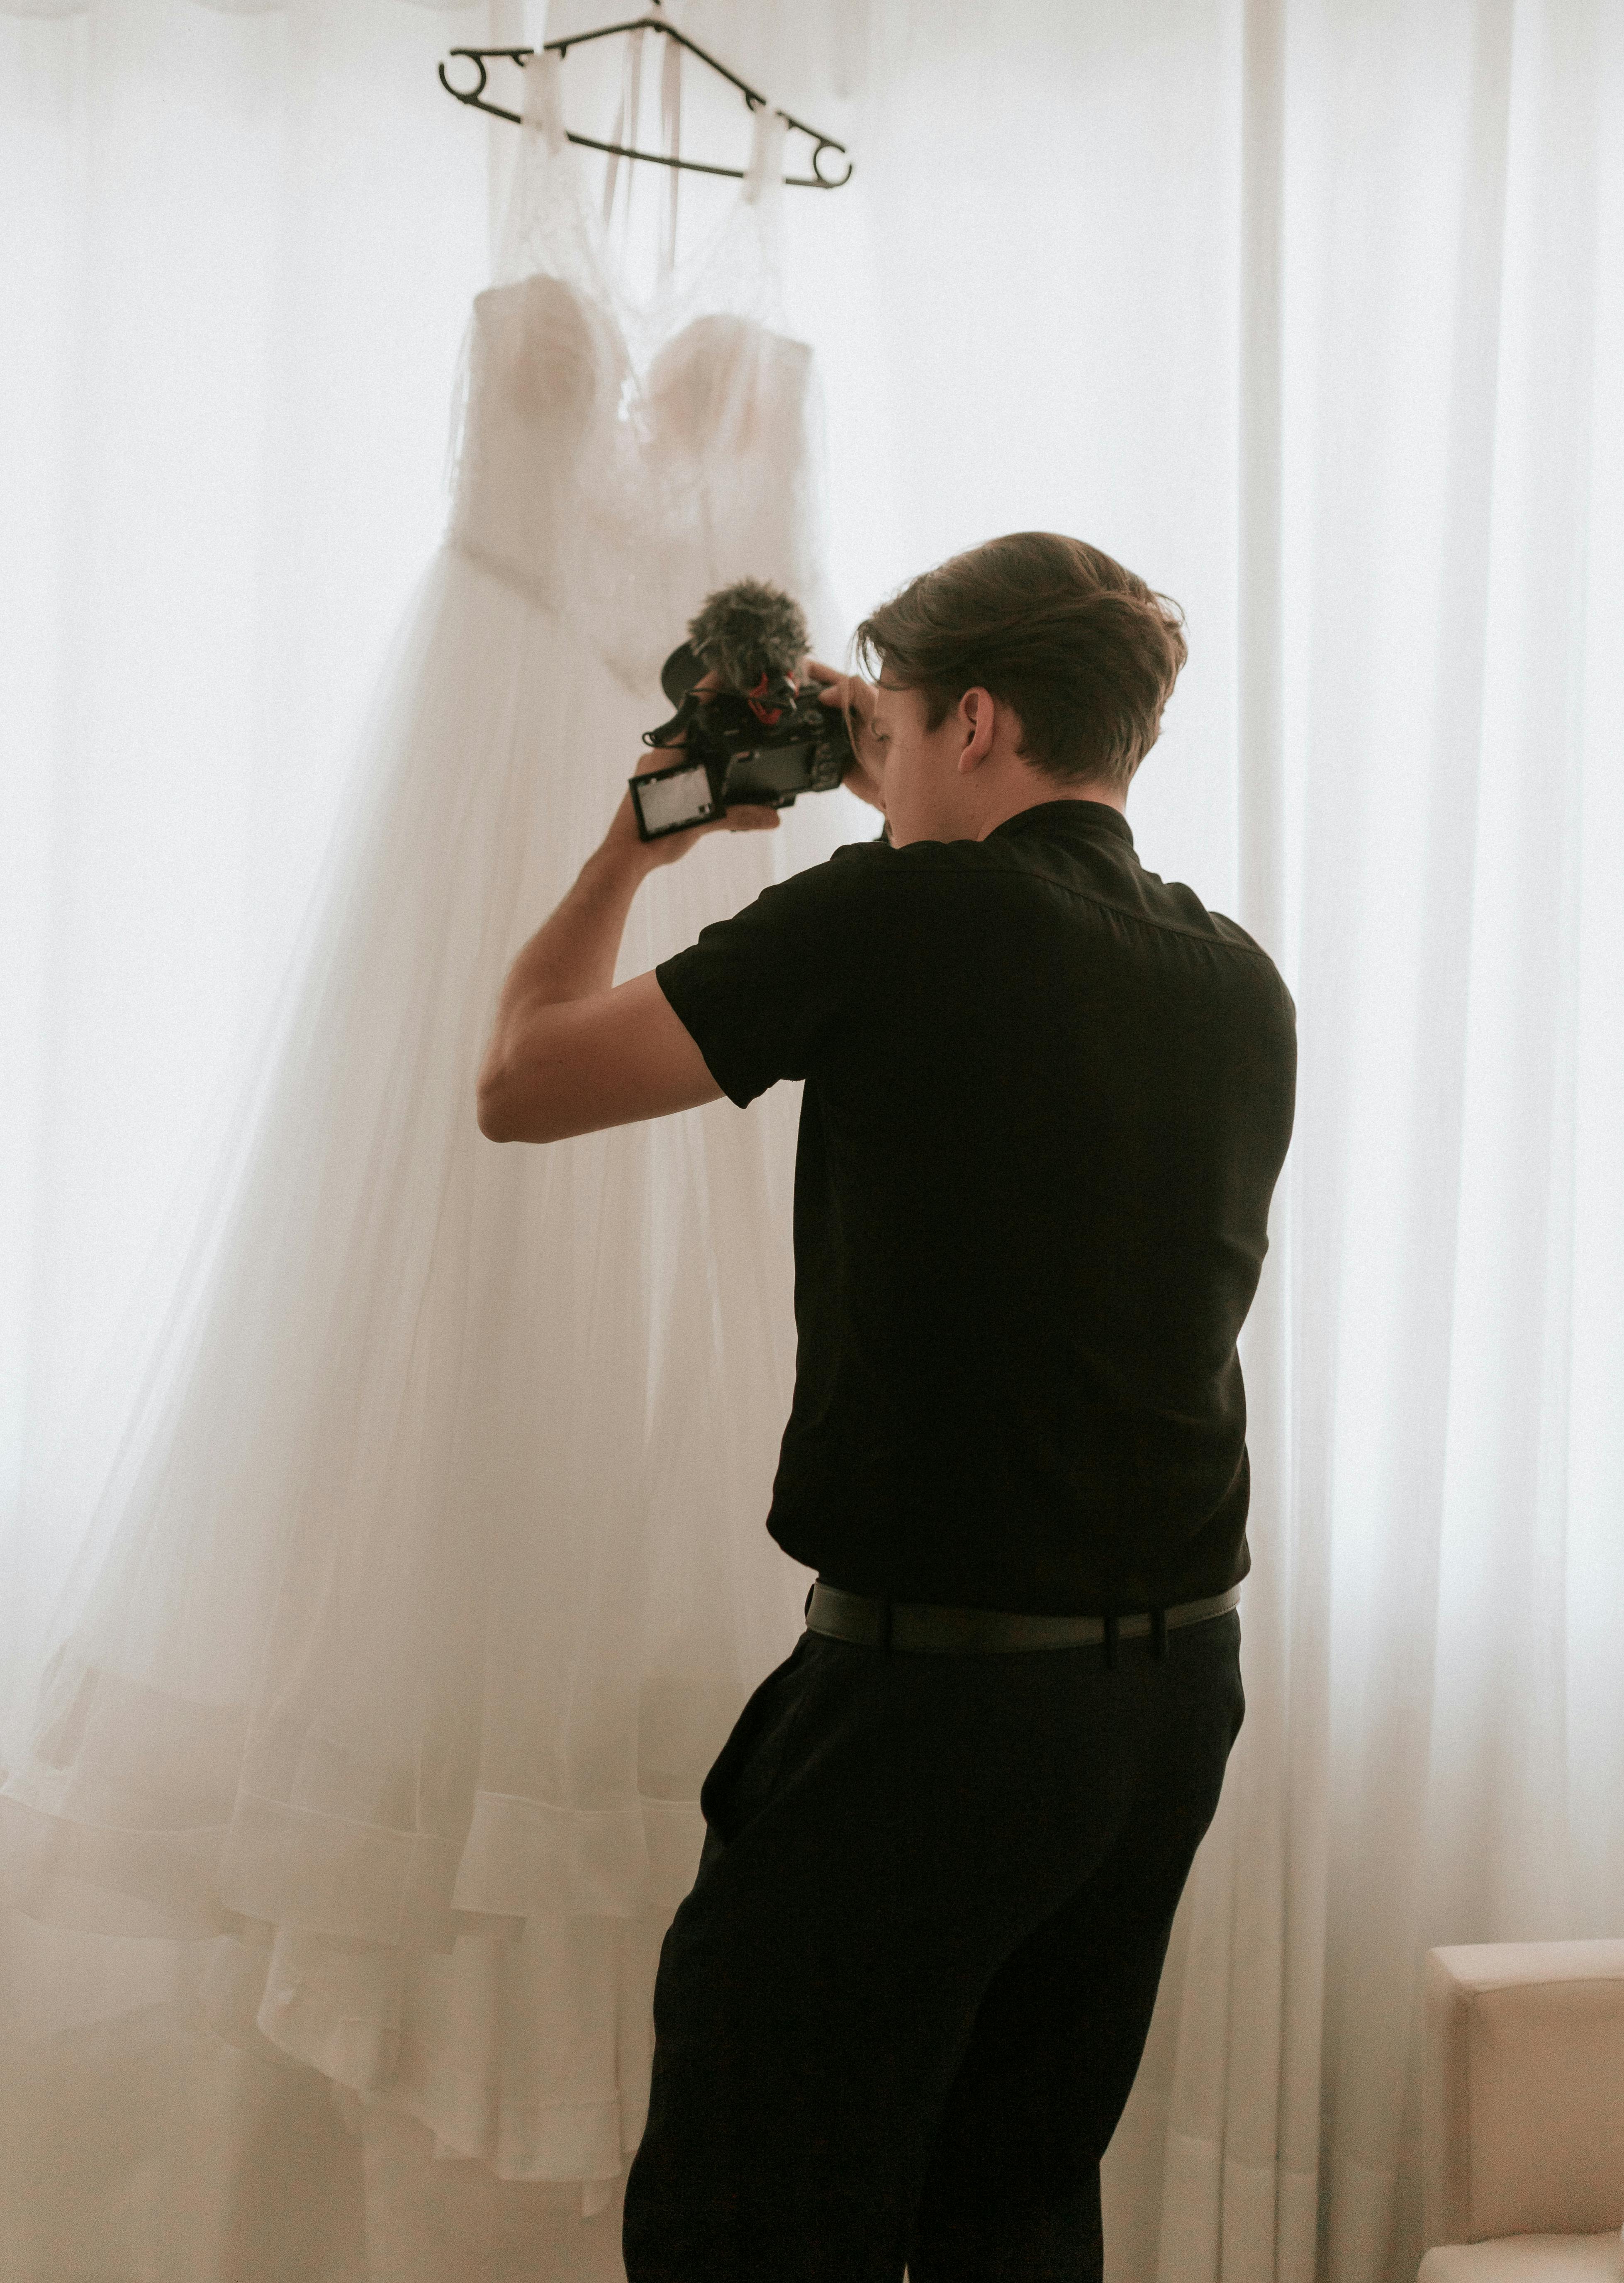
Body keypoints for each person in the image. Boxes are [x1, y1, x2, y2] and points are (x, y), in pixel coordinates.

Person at [475, 530, 1297, 2283]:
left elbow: (521, 1076)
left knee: (748, 2212)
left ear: (980, 719)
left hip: (942, 1706)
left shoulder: (896, 921)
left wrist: (646, 837)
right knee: (1008, 2201)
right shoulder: (1237, 981)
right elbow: (1007, 931)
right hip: (1163, 1703)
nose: (885, 767)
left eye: (909, 727)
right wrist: (903, 758)